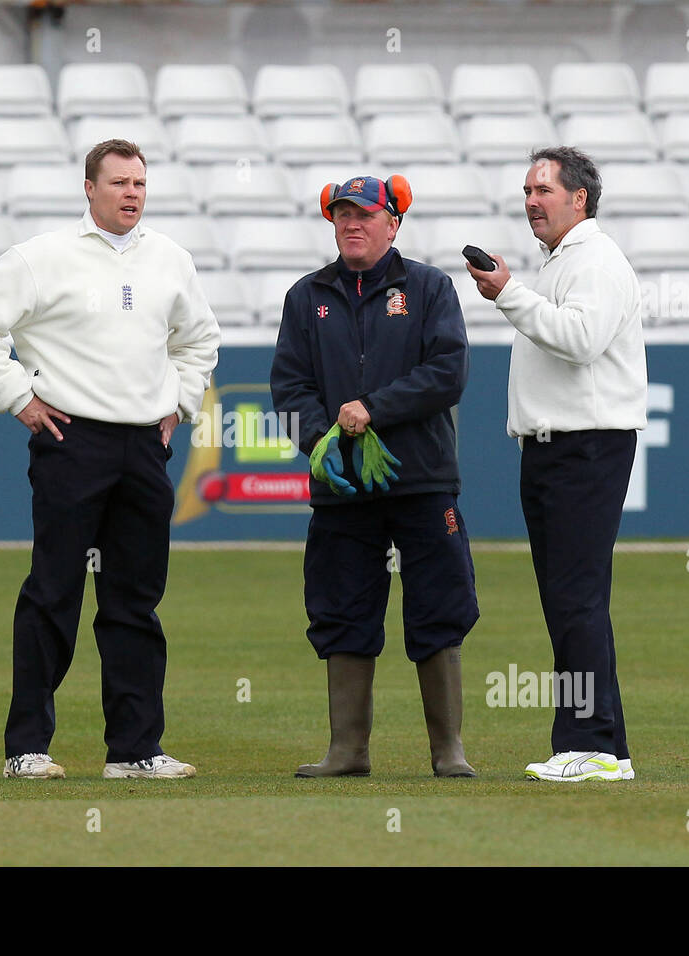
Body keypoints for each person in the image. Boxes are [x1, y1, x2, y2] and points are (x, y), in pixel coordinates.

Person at [0, 139, 220, 780]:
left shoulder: (170, 260)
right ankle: (28, 749)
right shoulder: (42, 257)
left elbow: (199, 337)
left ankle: (134, 751)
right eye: (119, 182)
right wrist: (17, 396)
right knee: (54, 592)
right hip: (72, 440)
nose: (131, 193)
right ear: (89, 189)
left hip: (145, 446)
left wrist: (180, 402)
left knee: (135, 601)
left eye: (140, 184)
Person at [271, 175, 481, 778]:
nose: (352, 224)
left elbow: (448, 373)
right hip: (341, 491)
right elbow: (287, 387)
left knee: (440, 605)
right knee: (340, 608)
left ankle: (448, 750)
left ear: (393, 222)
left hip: (422, 480)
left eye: (365, 214)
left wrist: (371, 410)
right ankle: (348, 750)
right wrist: (323, 439)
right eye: (342, 215)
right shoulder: (304, 296)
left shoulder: (430, 287)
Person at [466, 145, 647, 782]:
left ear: (580, 199)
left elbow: (579, 340)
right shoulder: (563, 260)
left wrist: (508, 291)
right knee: (574, 598)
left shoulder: (594, 260)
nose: (531, 201)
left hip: (585, 446)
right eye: (526, 191)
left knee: (575, 598)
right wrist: (517, 288)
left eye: (543, 190)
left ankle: (592, 746)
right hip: (555, 446)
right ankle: (605, 747)